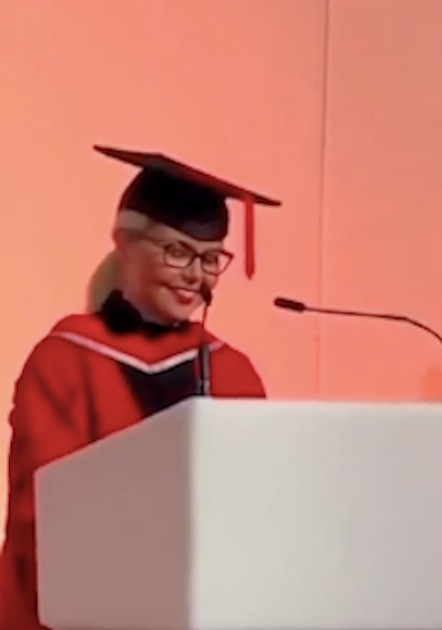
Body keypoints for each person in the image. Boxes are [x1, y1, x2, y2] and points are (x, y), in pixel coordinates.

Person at [0, 145, 280, 630]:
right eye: (178, 251)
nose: (196, 274)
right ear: (124, 244)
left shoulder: (233, 371)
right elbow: (41, 513)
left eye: (212, 259)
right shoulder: (65, 359)